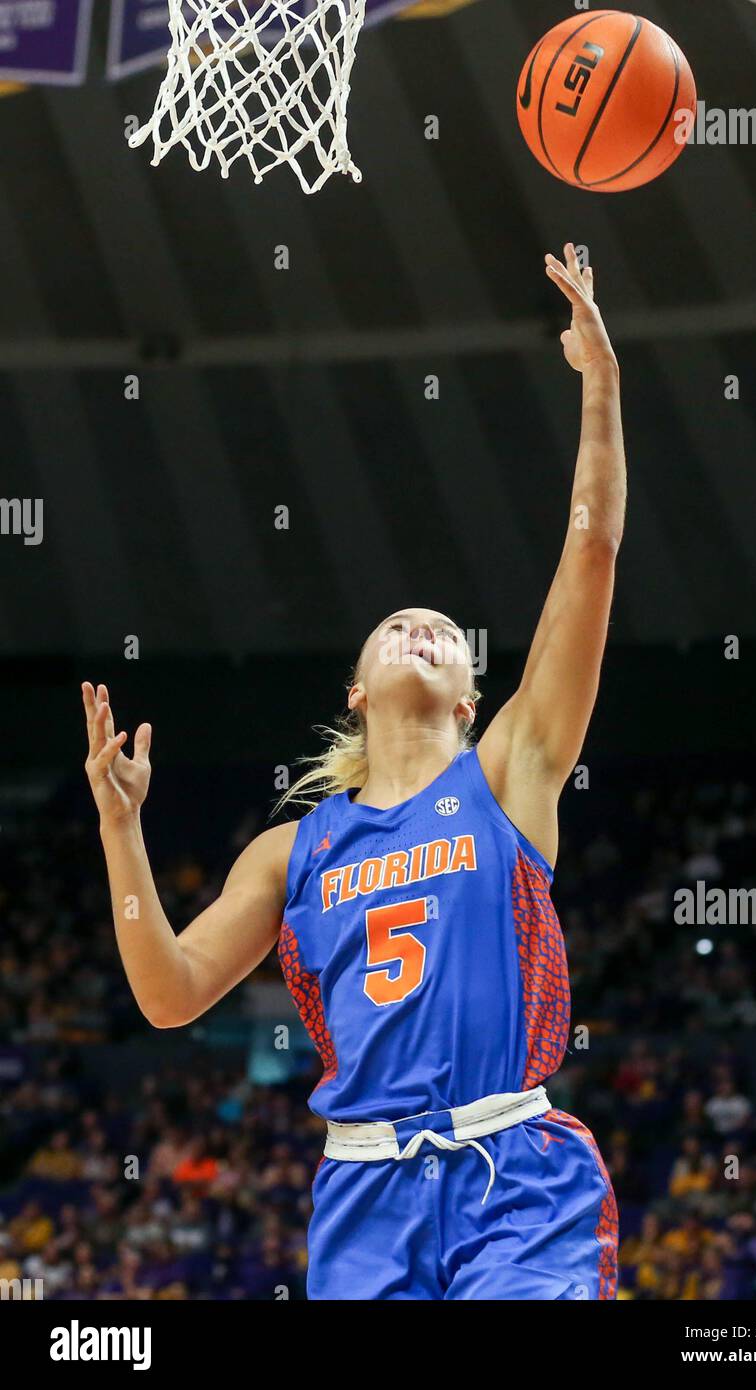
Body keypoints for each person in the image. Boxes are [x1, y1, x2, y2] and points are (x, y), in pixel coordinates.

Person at [82, 244, 626, 1301]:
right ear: (357, 693)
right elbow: (169, 993)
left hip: (511, 1171)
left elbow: (592, 548)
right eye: (396, 627)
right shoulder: (293, 850)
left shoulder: (510, 771)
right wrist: (119, 830)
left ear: (469, 700)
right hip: (363, 1194)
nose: (419, 629)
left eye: (442, 633)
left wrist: (600, 386)